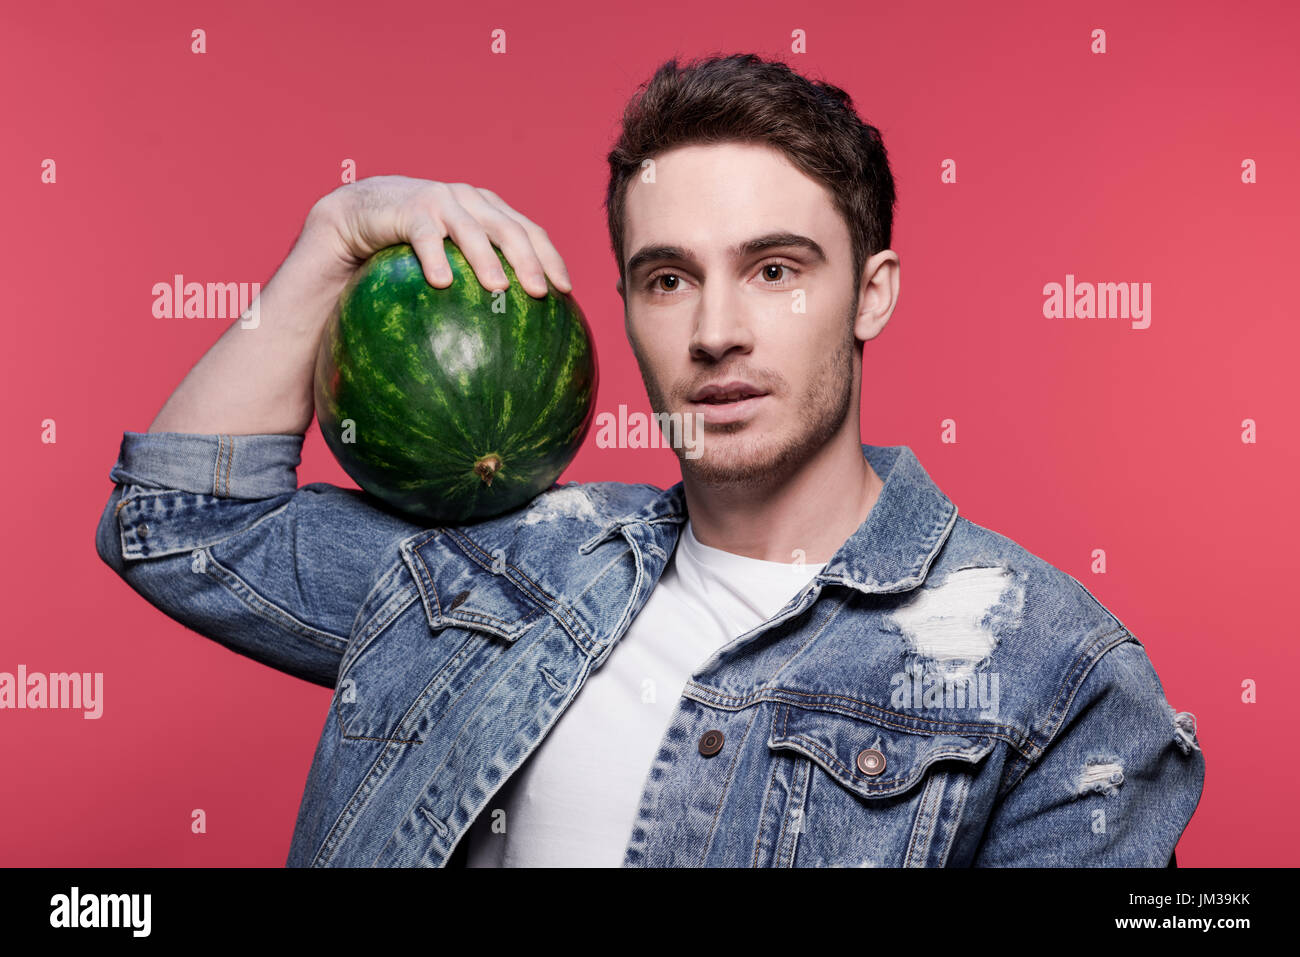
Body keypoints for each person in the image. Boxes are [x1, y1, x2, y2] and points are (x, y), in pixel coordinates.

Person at [95, 53, 1204, 867]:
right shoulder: (501, 568)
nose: (715, 330)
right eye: (668, 279)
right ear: (623, 306)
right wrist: (335, 233)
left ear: (872, 293)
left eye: (774, 270)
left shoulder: (1058, 680)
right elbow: (182, 525)